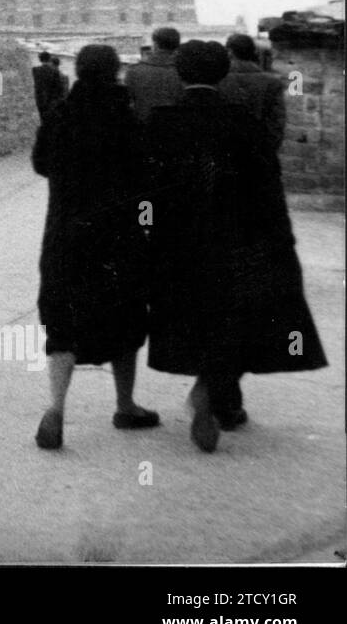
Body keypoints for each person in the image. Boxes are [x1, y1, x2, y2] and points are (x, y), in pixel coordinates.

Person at [145, 40, 327, 452]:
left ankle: (216, 399)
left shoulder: (161, 123)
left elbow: (147, 191)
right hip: (240, 238)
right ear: (224, 74)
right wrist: (282, 237)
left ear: (180, 73)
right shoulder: (244, 123)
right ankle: (215, 399)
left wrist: (148, 232)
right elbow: (268, 187)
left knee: (195, 317)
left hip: (180, 243)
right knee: (241, 317)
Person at [31, 44, 157, 450]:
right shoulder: (128, 116)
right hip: (118, 236)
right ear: (116, 71)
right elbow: (145, 176)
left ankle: (56, 408)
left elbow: (40, 163)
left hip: (66, 233)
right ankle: (125, 405)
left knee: (63, 318)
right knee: (125, 316)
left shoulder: (60, 115)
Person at [218, 33, 286, 154]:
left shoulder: (219, 81)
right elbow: (277, 123)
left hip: (226, 153)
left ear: (230, 52)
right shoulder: (272, 82)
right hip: (261, 152)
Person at [124, 25, 184, 122]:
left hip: (145, 127)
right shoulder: (185, 71)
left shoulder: (134, 71)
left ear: (155, 45)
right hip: (179, 127)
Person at [31, 51, 64, 120]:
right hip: (51, 99)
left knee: (41, 117)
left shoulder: (35, 70)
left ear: (40, 59)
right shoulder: (55, 71)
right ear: (49, 59)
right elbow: (59, 87)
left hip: (39, 98)